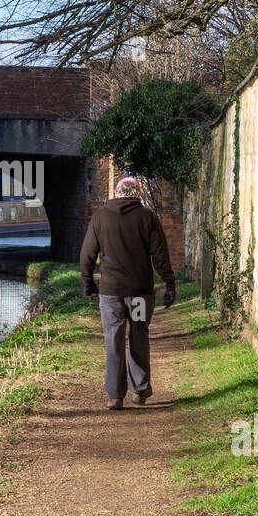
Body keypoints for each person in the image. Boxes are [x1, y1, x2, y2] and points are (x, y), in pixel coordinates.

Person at [79, 176, 176, 410]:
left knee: (113, 339)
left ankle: (114, 395)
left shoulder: (100, 217)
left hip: (111, 293)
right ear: (138, 194)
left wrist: (88, 284)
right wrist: (169, 283)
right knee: (139, 336)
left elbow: (87, 255)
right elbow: (160, 255)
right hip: (140, 292)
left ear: (116, 191)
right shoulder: (147, 218)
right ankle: (140, 390)